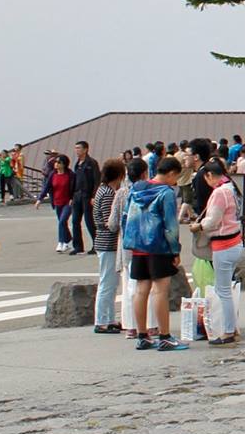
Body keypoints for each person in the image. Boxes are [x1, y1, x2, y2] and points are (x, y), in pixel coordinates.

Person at [123, 156, 184, 350]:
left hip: (138, 245)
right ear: (172, 173)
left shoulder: (136, 188)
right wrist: (175, 250)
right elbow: (171, 226)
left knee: (141, 290)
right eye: (176, 177)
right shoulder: (166, 193)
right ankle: (164, 336)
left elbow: (126, 216)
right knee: (160, 290)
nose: (176, 182)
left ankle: (142, 335)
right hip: (159, 246)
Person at [188, 158, 245, 345]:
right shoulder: (232, 188)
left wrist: (198, 227)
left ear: (210, 175)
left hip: (223, 245)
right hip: (235, 241)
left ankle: (228, 331)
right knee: (227, 288)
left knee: (223, 290)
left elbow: (212, 220)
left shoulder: (220, 192)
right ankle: (232, 327)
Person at [92, 159, 126, 334]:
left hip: (104, 242)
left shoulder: (103, 190)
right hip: (107, 242)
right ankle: (102, 320)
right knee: (107, 282)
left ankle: (109, 318)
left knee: (111, 283)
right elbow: (109, 221)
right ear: (119, 175)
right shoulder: (107, 193)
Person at [69, 141, 99, 254]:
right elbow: (75, 180)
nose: (76, 150)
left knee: (89, 221)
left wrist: (94, 195)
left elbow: (96, 180)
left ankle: (96, 244)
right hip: (77, 195)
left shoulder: (91, 163)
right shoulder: (77, 163)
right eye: (75, 148)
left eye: (79, 148)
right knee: (75, 221)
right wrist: (71, 196)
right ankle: (78, 246)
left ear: (85, 149)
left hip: (87, 195)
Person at [42, 155, 75, 251]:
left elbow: (74, 187)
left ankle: (61, 242)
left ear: (64, 164)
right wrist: (40, 199)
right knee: (62, 223)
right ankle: (68, 239)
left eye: (58, 162)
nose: (56, 164)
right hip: (57, 202)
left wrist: (72, 198)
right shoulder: (53, 174)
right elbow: (47, 187)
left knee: (62, 221)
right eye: (55, 162)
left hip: (67, 202)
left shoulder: (70, 174)